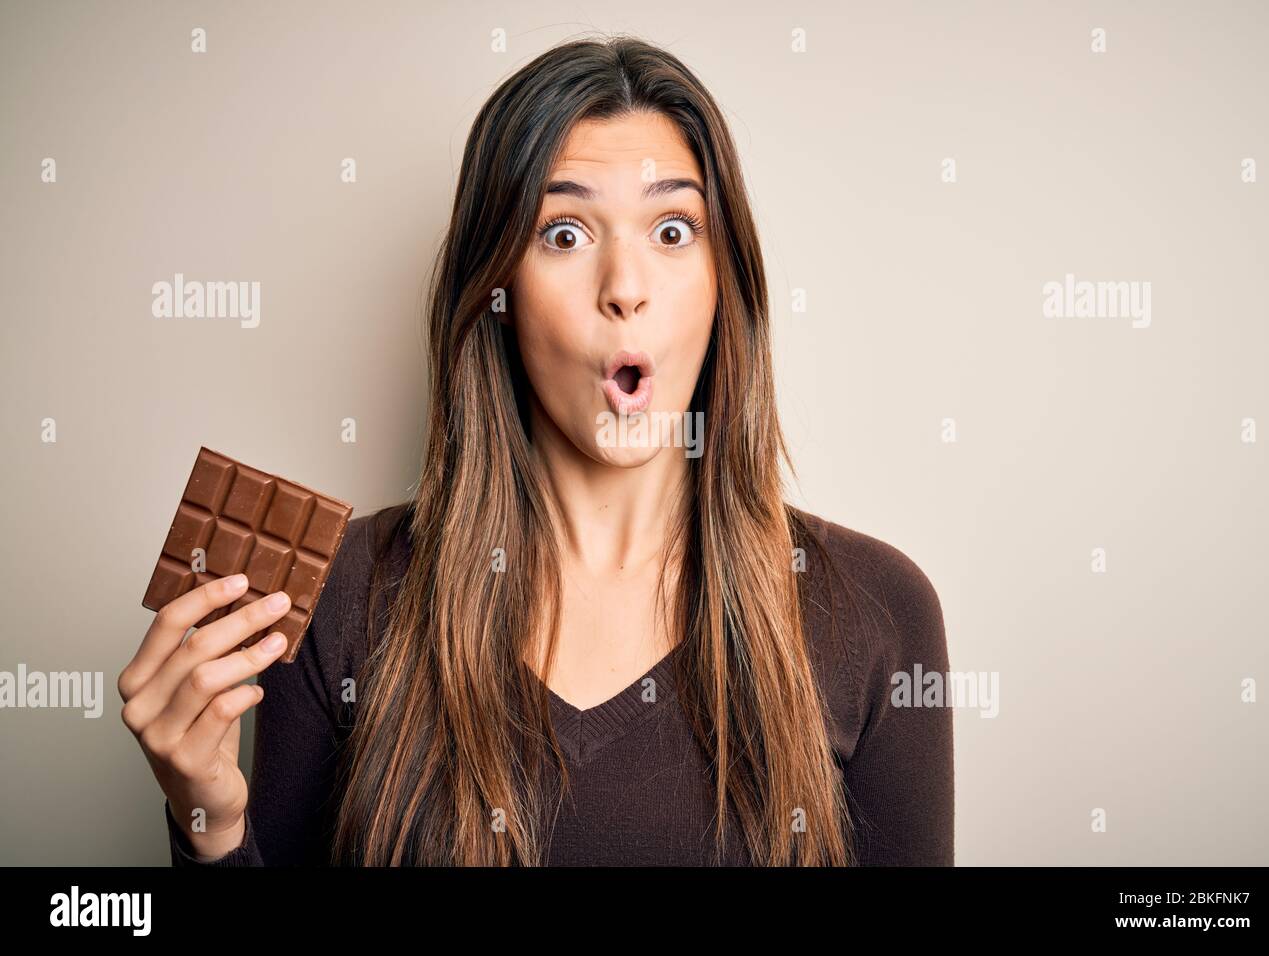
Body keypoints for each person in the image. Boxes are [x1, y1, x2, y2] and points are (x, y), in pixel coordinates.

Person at [119, 34, 954, 866]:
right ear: (498, 293)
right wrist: (211, 828)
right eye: (564, 234)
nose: (625, 287)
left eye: (672, 228)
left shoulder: (878, 615)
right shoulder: (348, 597)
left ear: (723, 282)